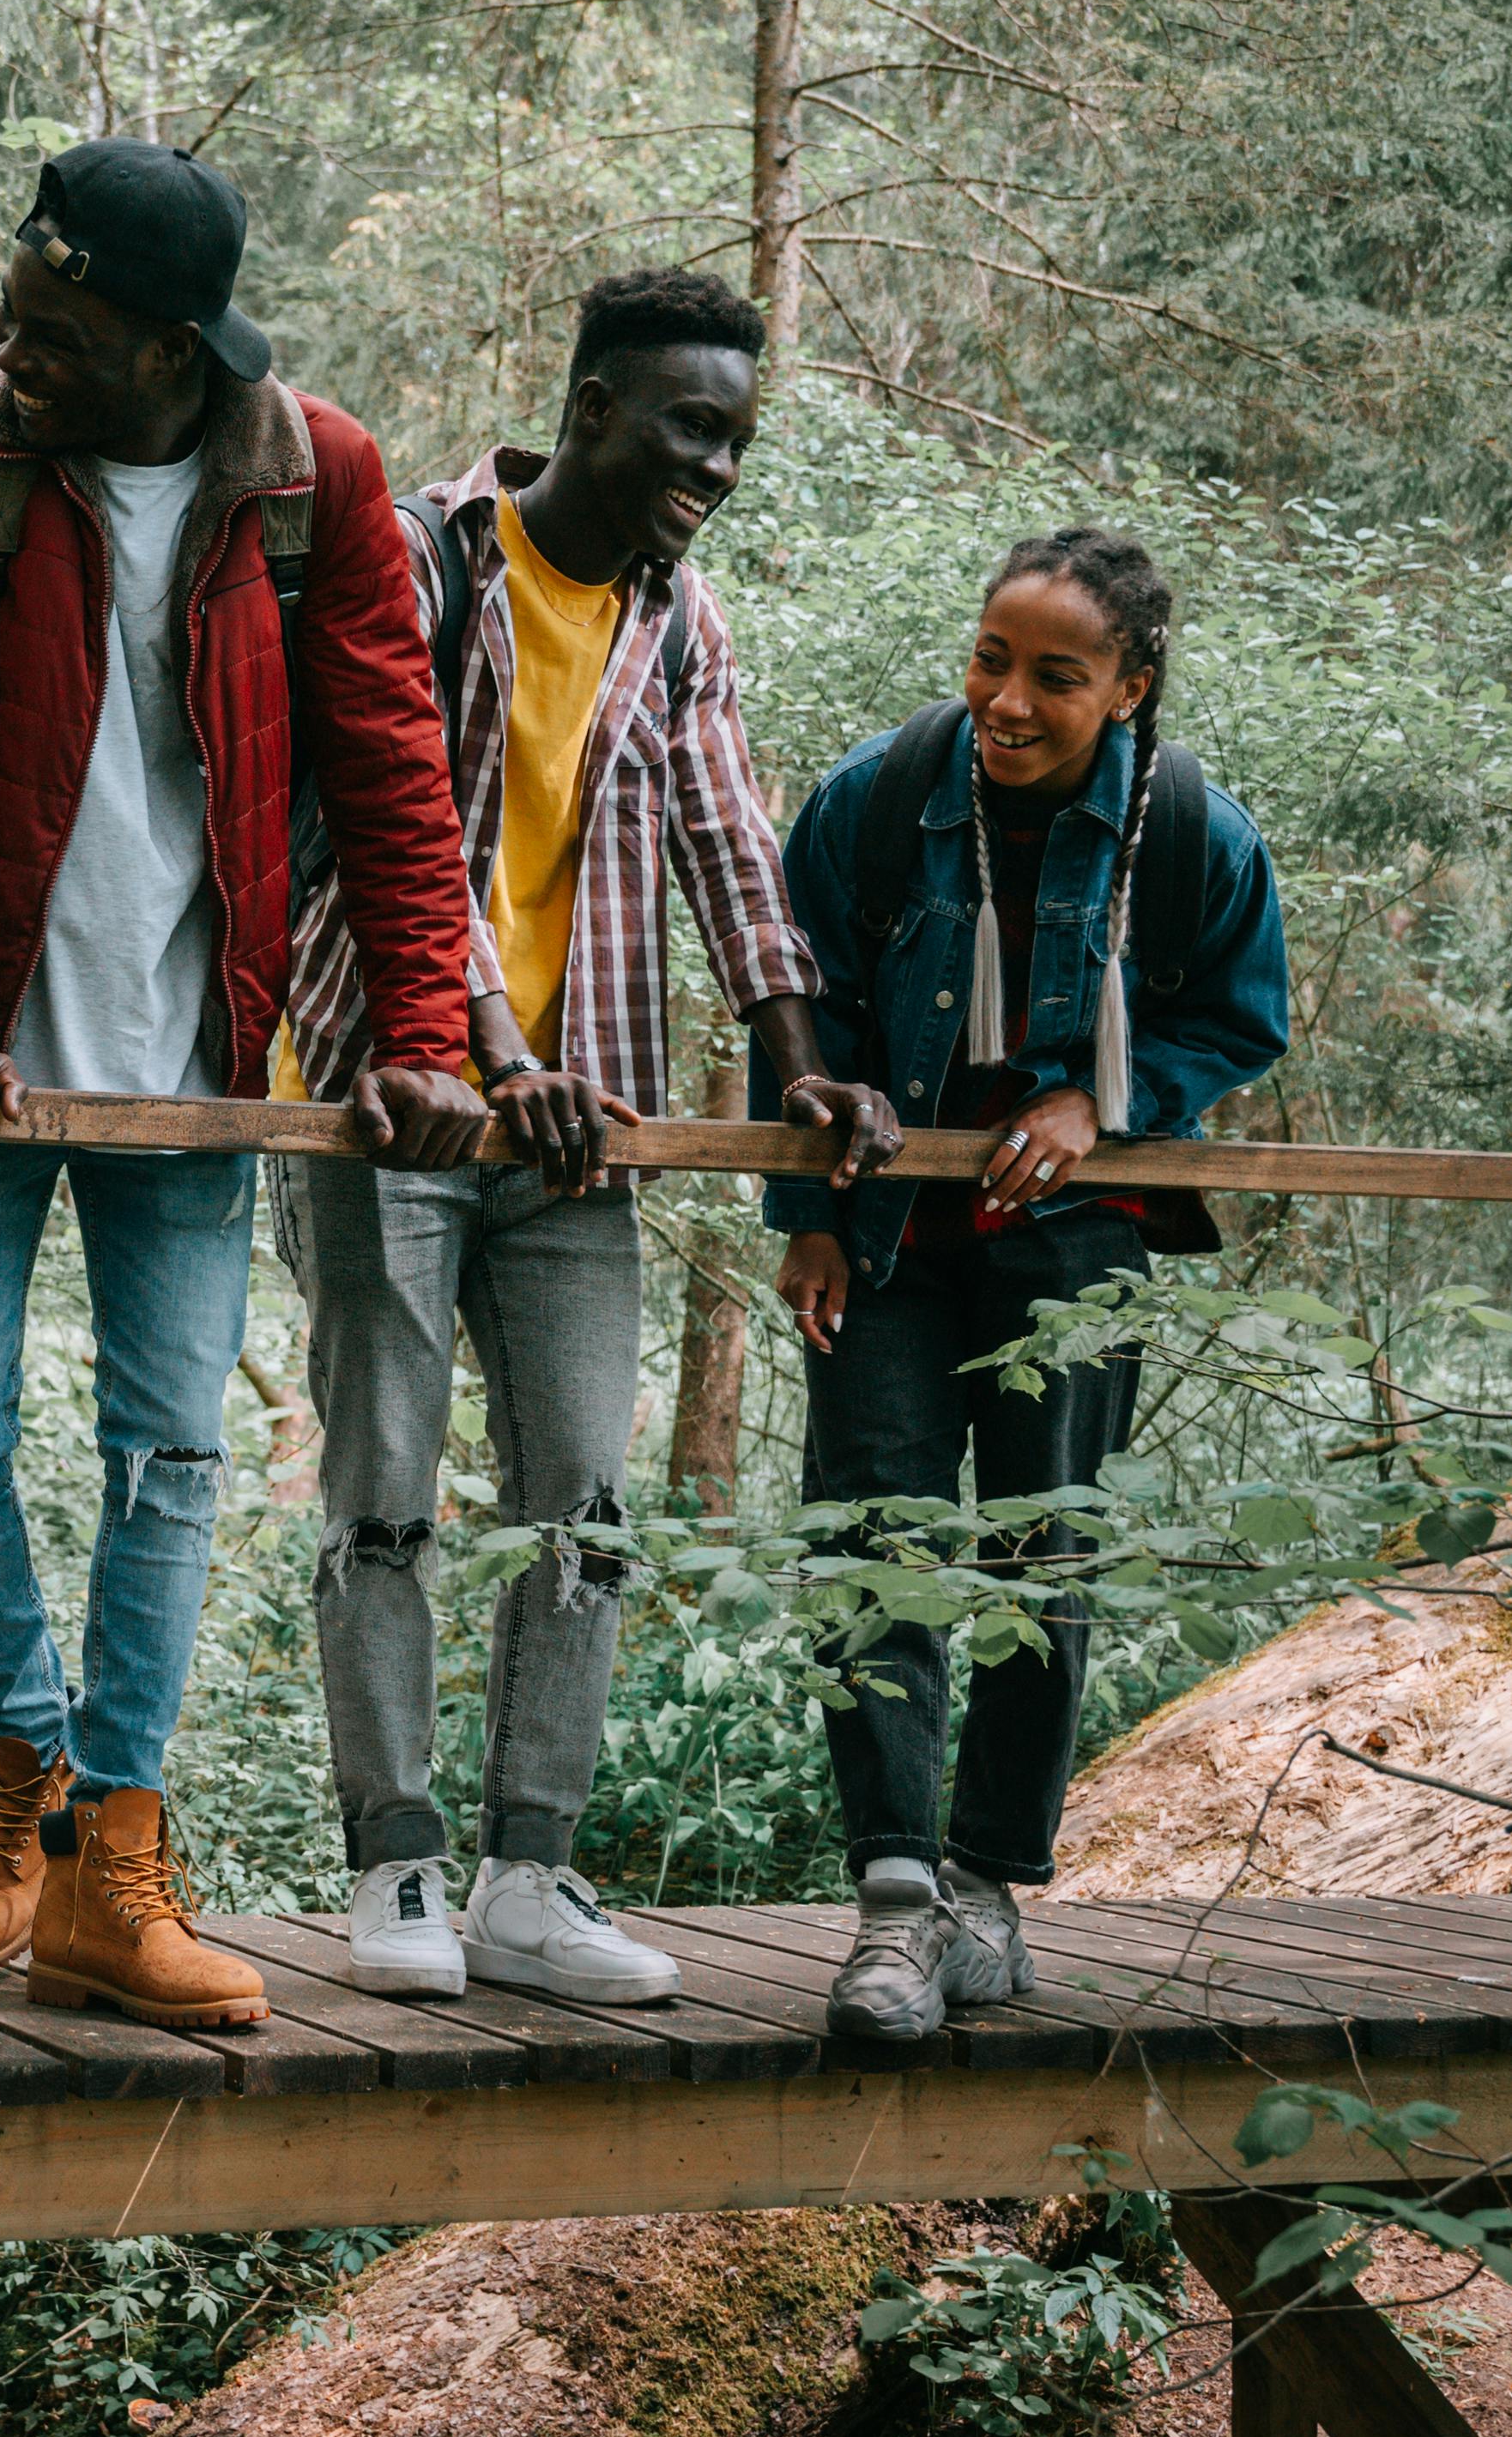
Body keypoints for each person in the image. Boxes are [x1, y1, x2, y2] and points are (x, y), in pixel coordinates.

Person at [0, 138, 485, 2028]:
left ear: (168, 346)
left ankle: (115, 1863)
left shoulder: (311, 477)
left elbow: (387, 768)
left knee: (171, 1457)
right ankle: (38, 1792)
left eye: (53, 332)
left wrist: (422, 1039)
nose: (9, 350)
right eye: (9, 315)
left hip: (195, 1045)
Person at [278, 268, 899, 2005]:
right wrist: (488, 1046)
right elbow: (387, 828)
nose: (717, 465)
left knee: (590, 1507)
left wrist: (805, 1067)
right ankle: (394, 1866)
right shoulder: (418, 557)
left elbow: (732, 844)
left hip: (581, 1125)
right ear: (597, 404)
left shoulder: (676, 614)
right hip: (392, 1094)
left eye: (739, 441)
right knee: (382, 1490)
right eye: (695, 429)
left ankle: (531, 1878)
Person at [770, 526, 1290, 2058]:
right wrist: (802, 1215)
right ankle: (888, 1901)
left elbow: (1236, 1020)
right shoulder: (875, 801)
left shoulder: (1191, 832)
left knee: (1036, 1546)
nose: (1004, 699)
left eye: (1053, 677)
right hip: (884, 1236)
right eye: (989, 659)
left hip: (1074, 1241)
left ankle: (984, 1891)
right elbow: (798, 1011)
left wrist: (1098, 1106)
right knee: (874, 1537)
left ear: (1126, 689)